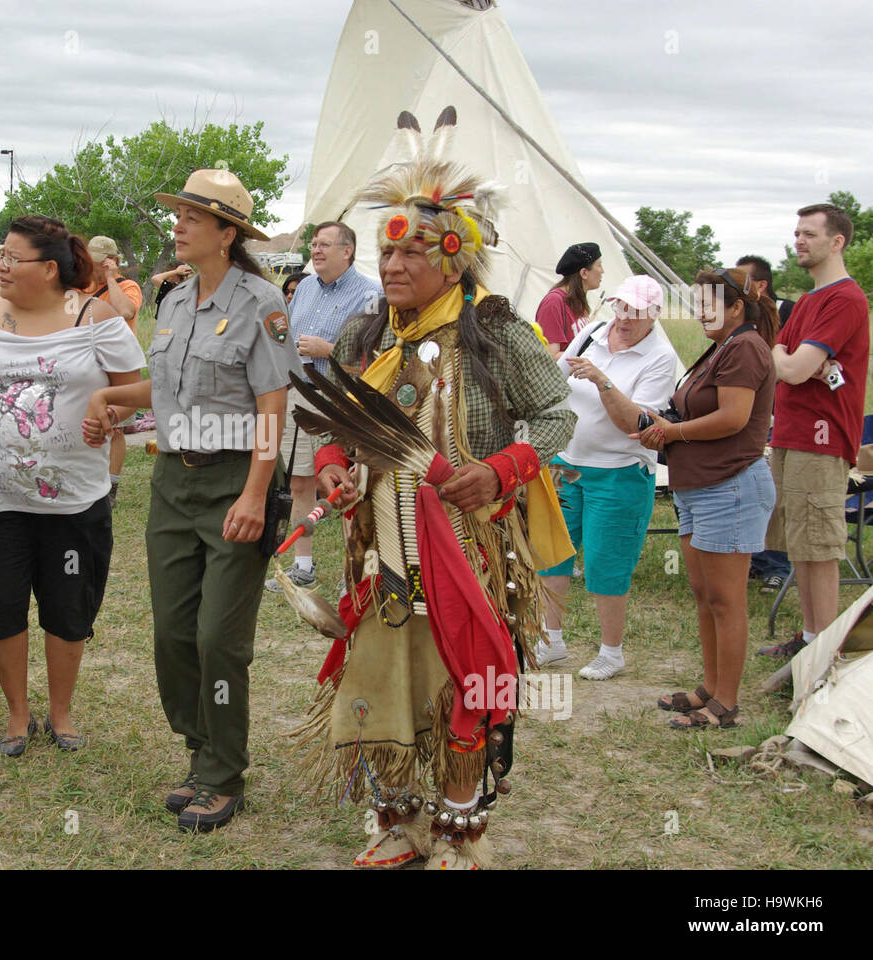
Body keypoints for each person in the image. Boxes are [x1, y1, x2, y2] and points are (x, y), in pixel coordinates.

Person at [293, 110, 575, 869]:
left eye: (415, 251)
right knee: (384, 676)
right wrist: (332, 468)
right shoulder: (363, 336)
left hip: (469, 542)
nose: (394, 264)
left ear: (456, 259)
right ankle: (395, 821)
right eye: (388, 249)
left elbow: (557, 414)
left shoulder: (495, 332)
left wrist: (503, 468)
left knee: (464, 682)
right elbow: (340, 427)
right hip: (378, 542)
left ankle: (459, 833)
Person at [83, 168, 299, 832]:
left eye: (191, 218)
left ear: (227, 234)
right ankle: (200, 749)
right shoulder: (174, 301)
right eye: (178, 215)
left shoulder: (263, 302)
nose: (177, 226)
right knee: (173, 634)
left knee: (218, 639)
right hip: (174, 484)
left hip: (238, 478)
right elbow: (169, 387)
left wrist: (257, 494)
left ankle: (222, 773)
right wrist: (112, 399)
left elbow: (272, 405)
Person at [0, 216, 144, 758]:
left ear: (49, 268)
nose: (0, 266)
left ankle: (61, 712)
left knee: (67, 606)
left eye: (12, 257)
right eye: (0, 256)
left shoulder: (95, 318)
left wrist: (110, 416)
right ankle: (16, 714)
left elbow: (133, 391)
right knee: (1, 605)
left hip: (74, 499)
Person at [637, 267, 779, 728]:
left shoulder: (745, 348)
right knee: (704, 595)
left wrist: (672, 431)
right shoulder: (722, 348)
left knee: (726, 599)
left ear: (737, 307)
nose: (701, 312)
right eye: (698, 303)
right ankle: (710, 688)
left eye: (710, 304)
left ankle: (727, 704)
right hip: (699, 486)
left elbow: (733, 418)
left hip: (730, 486)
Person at [535, 274, 678, 680]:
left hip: (619, 471)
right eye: (619, 307)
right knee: (553, 553)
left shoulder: (661, 358)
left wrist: (602, 380)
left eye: (635, 311)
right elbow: (552, 379)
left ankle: (611, 652)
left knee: (605, 564)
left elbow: (635, 423)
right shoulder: (594, 332)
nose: (624, 318)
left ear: (654, 315)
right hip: (567, 463)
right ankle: (551, 640)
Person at [759, 203, 870, 659]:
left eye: (809, 234)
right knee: (800, 544)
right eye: (797, 233)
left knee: (820, 546)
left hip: (822, 439)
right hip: (791, 433)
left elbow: (794, 365)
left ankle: (826, 652)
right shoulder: (807, 300)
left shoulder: (844, 298)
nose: (799, 241)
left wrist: (788, 356)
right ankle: (809, 639)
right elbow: (779, 355)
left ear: (836, 241)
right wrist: (787, 356)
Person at [266, 221, 381, 592]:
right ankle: (303, 567)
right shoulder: (305, 288)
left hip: (340, 400)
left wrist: (328, 351)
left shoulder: (371, 295)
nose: (316, 250)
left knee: (345, 487)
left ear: (347, 251)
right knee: (300, 482)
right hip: (299, 393)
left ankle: (355, 573)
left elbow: (378, 358)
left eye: (325, 245)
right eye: (314, 244)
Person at [737, 255, 795, 593]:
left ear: (760, 285)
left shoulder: (788, 312)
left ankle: (777, 564)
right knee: (750, 492)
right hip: (751, 412)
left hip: (779, 414)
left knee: (776, 495)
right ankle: (756, 560)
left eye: (743, 282)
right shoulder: (741, 313)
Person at [82, 235, 145, 506]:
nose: (92, 267)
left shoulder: (127, 286)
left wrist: (110, 278)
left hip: (117, 367)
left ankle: (111, 486)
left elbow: (126, 312)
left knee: (115, 427)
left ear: (112, 261)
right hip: (86, 364)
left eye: (98, 262)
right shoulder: (81, 286)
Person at [536, 242, 603, 357]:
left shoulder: (579, 303)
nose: (602, 271)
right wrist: (591, 357)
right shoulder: (554, 302)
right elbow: (550, 357)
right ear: (584, 273)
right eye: (599, 265)